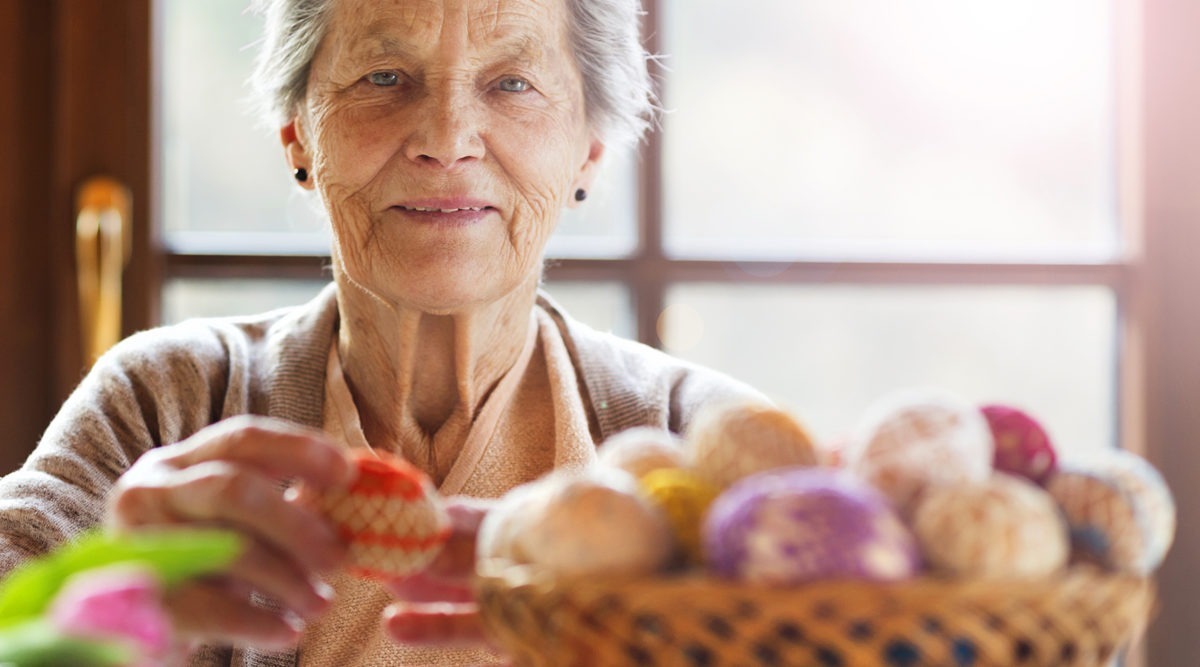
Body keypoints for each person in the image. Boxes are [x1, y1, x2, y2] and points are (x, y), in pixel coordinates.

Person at [0, 0, 764, 664]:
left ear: (588, 150)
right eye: (384, 78)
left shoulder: (702, 443)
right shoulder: (168, 400)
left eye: (512, 83)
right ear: (298, 134)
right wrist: (89, 600)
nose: (446, 137)